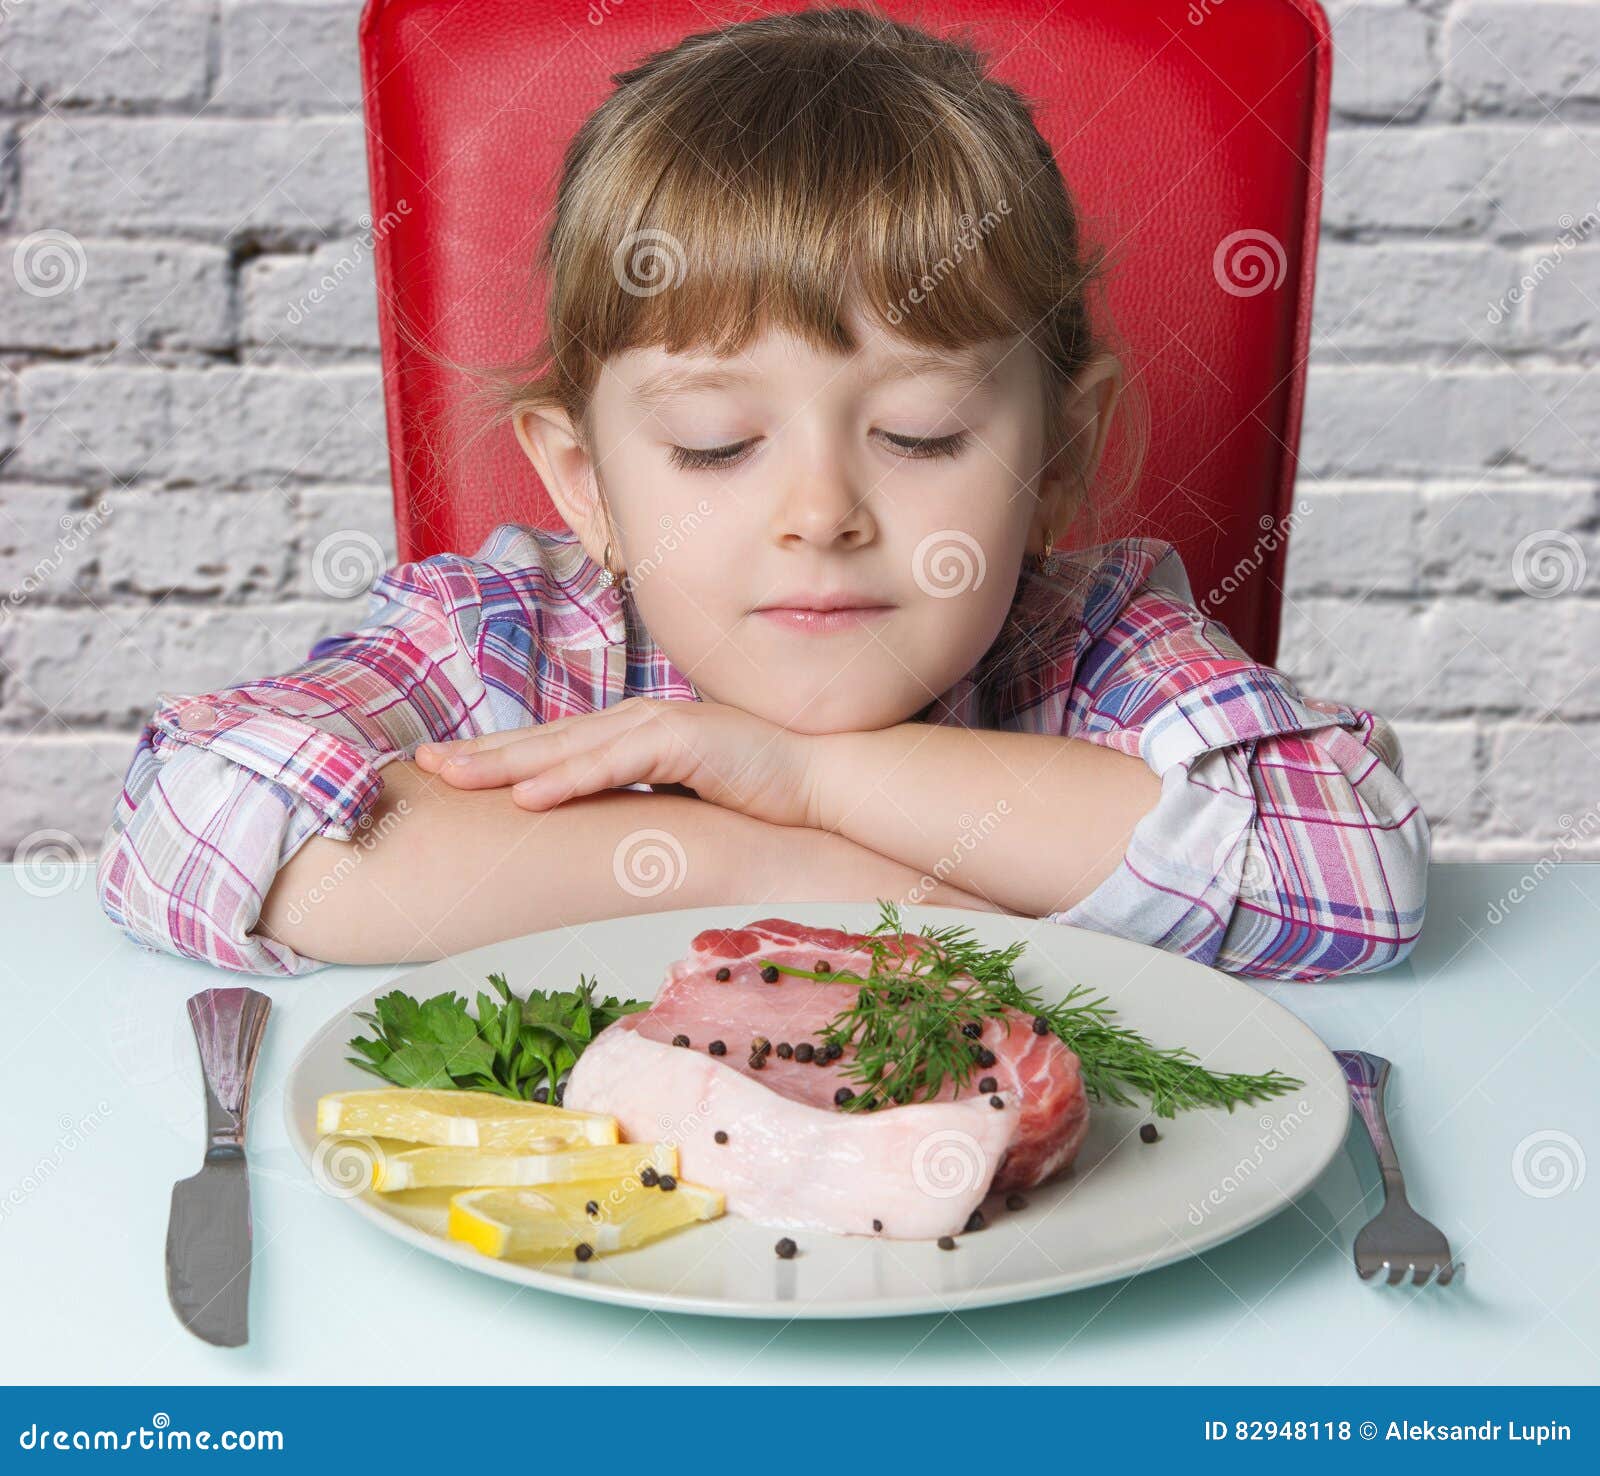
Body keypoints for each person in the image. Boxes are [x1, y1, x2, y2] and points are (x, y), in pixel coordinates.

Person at [95, 5, 1428, 982]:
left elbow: (1356, 867)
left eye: (921, 432)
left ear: (1059, 455)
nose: (820, 514)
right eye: (719, 446)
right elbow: (195, 820)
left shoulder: (1090, 639)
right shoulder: (500, 634)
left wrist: (805, 774)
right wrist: (771, 863)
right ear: (588, 483)